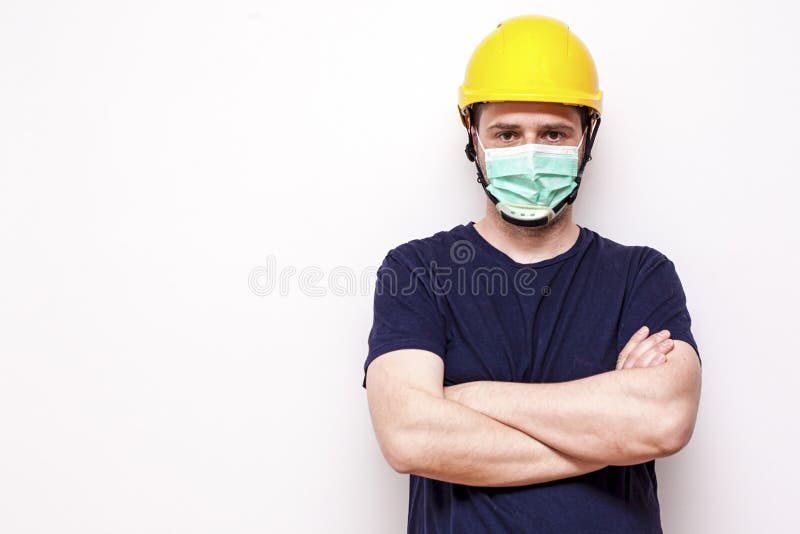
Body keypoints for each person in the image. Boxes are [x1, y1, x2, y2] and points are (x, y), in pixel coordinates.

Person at [361, 14, 702, 534]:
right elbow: (410, 437)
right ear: (473, 135)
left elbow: (663, 421)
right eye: (507, 133)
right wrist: (609, 433)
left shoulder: (642, 275)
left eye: (553, 133)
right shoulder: (416, 271)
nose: (531, 154)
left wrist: (469, 398)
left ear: (587, 136)